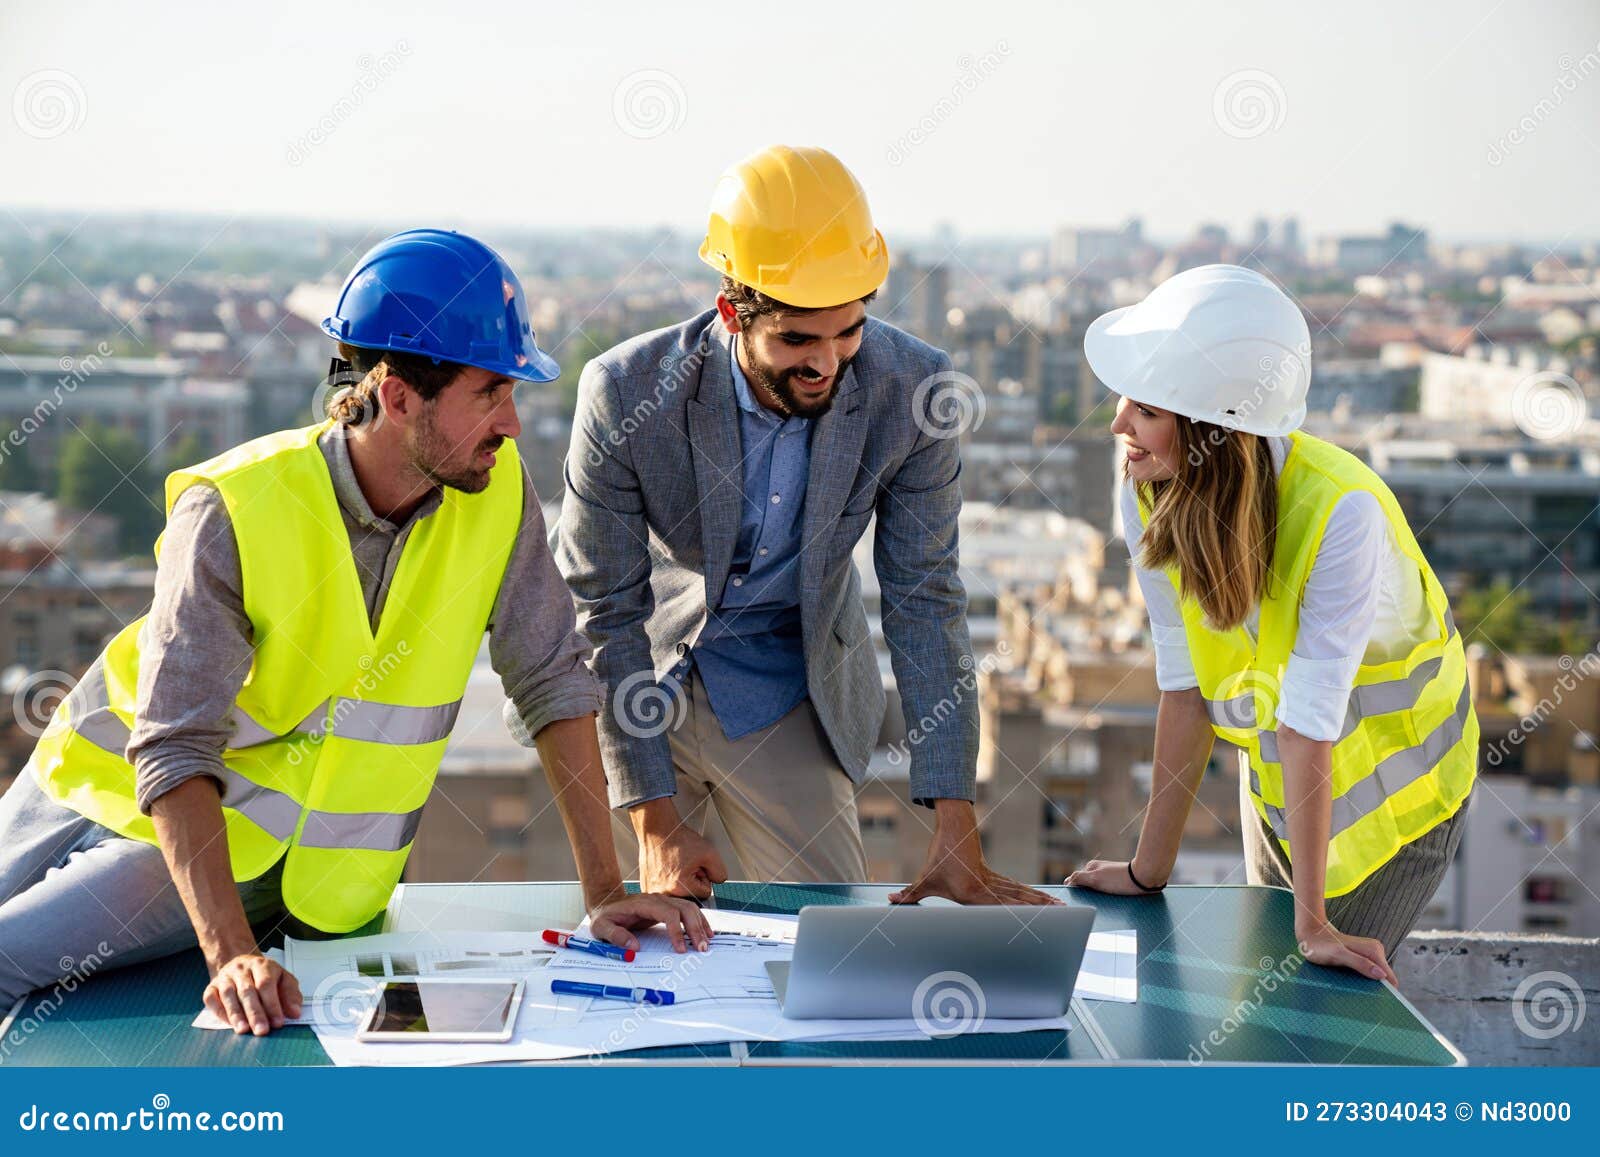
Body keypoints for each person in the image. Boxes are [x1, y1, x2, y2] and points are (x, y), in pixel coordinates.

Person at [0, 229, 708, 1035]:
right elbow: (173, 747)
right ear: (397, 393)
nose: (512, 423)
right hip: (138, 814)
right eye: (490, 393)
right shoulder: (236, 508)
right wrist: (229, 953)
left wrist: (605, 893)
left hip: (322, 889)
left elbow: (553, 680)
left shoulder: (496, 493)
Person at [552, 145, 1055, 906]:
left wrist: (955, 819)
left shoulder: (915, 392)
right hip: (642, 676)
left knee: (829, 942)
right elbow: (604, 612)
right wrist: (654, 828)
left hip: (790, 684)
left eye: (847, 333)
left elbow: (924, 598)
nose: (827, 363)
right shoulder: (626, 393)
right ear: (731, 312)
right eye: (797, 340)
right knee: (651, 941)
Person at [1067, 264, 1476, 981]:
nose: (1119, 423)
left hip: (1402, 807)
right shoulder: (1148, 482)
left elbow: (1306, 722)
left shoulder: (1341, 514)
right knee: (1261, 1007)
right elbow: (1186, 687)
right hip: (1288, 794)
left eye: (1149, 409)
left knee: (1311, 1022)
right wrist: (1146, 871)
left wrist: (1313, 922)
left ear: (1214, 435)